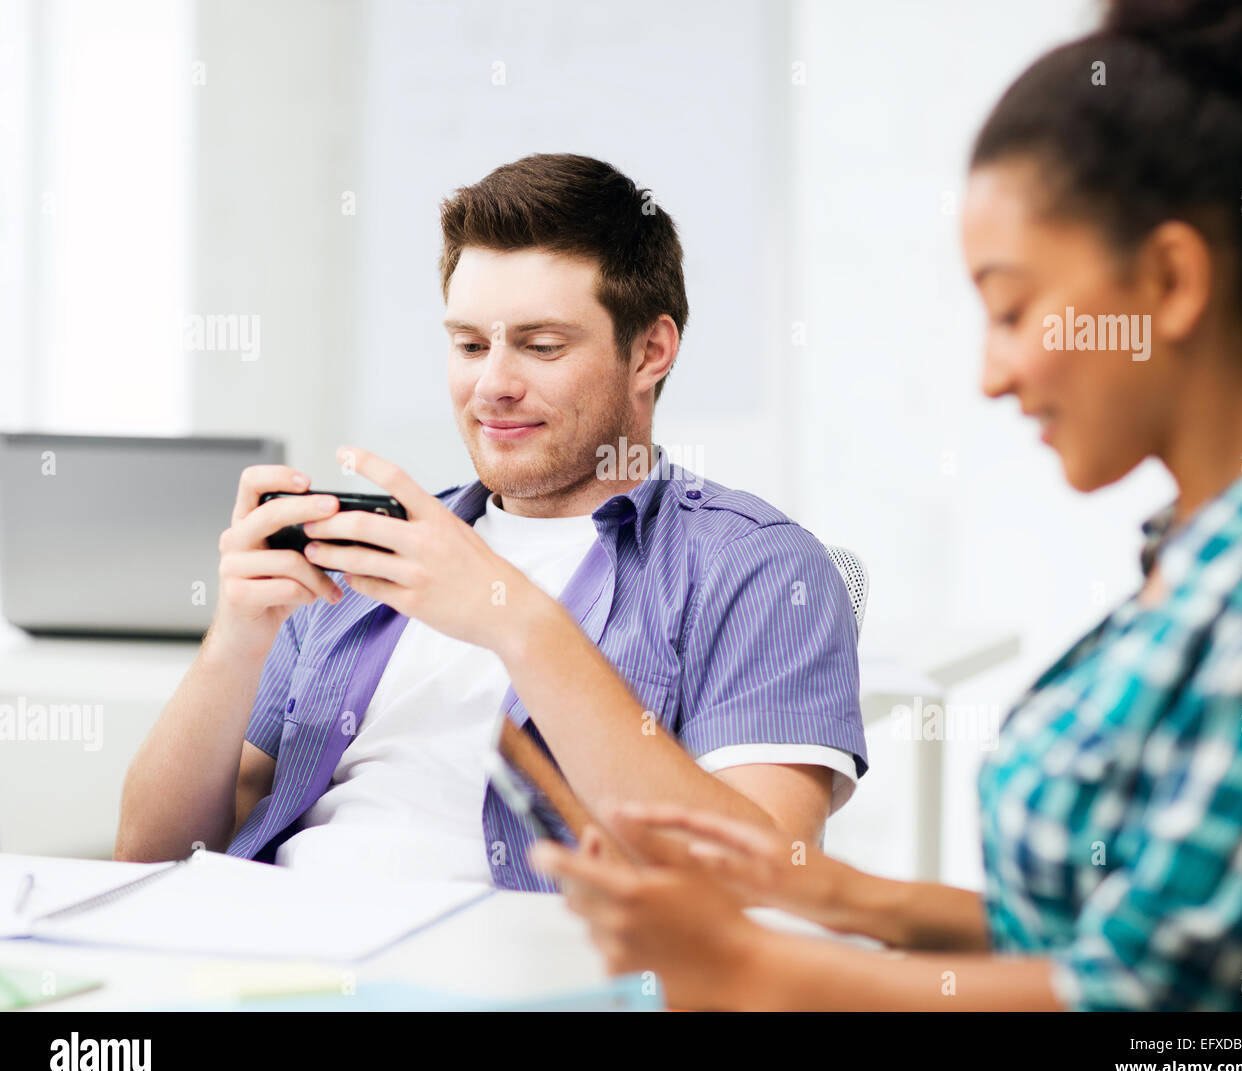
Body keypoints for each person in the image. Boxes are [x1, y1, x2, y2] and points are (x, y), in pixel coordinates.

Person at [533, 0, 1242, 1008]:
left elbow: (1149, 1014)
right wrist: (844, 897)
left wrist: (753, 967)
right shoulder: (1200, 554)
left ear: (1169, 280)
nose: (992, 374)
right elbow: (1114, 920)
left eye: (1013, 307)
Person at [115, 153, 868, 892]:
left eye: (542, 347)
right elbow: (148, 857)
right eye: (470, 345)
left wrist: (514, 623)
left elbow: (771, 879)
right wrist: (237, 640)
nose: (493, 385)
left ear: (651, 352)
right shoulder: (371, 553)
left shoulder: (758, 568)